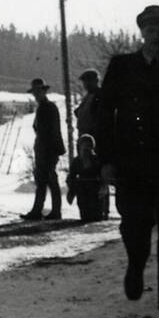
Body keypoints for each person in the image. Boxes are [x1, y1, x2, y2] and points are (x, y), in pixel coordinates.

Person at [97, 4, 159, 313]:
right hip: (131, 165)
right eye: (151, 30)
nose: (157, 35)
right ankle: (136, 264)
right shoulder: (121, 66)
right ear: (142, 32)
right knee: (135, 227)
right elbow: (105, 116)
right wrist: (106, 160)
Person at [21, 77, 65, 220]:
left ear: (43, 91)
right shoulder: (43, 107)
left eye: (38, 91)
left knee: (49, 180)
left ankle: (48, 211)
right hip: (43, 149)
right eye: (34, 92)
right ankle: (41, 210)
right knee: (45, 180)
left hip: (48, 150)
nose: (35, 95)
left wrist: (52, 151)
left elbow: (52, 131)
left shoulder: (48, 107)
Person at [66, 134, 105, 222]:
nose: (86, 148)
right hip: (82, 189)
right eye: (84, 145)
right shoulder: (76, 161)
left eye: (88, 146)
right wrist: (71, 191)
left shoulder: (96, 160)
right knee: (85, 216)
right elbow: (71, 176)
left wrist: (103, 186)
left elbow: (102, 176)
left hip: (95, 188)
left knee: (96, 217)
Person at [74, 68, 101, 139]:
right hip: (84, 135)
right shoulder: (88, 96)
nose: (85, 84)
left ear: (95, 81)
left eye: (88, 81)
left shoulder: (99, 95)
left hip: (93, 135)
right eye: (84, 82)